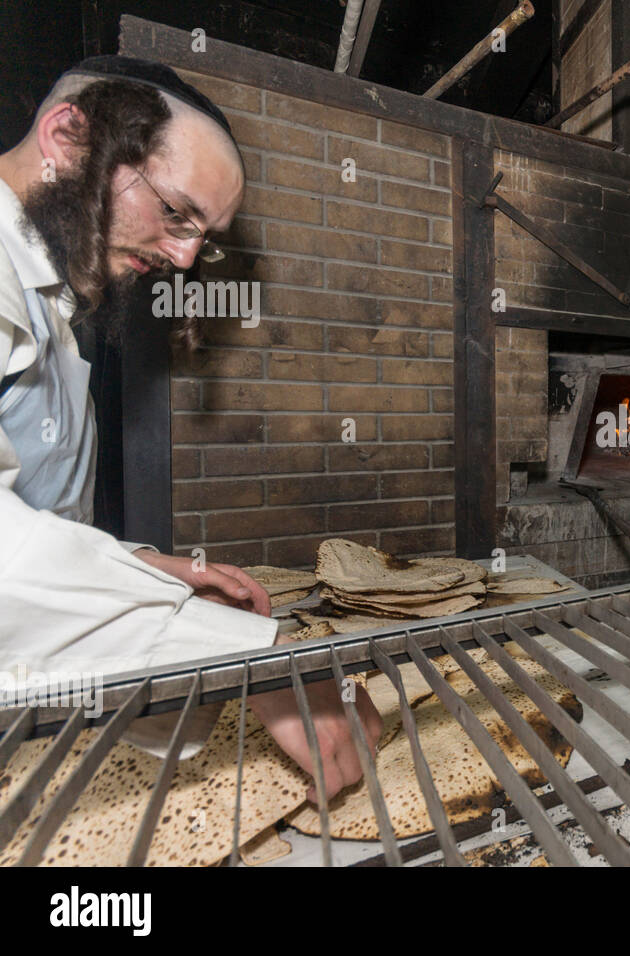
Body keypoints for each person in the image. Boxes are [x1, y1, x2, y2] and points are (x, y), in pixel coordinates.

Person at [0, 56, 380, 803]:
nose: (180, 259)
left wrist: (145, 569)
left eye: (201, 238)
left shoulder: (53, 311)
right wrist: (256, 660)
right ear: (70, 137)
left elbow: (34, 525)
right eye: (176, 214)